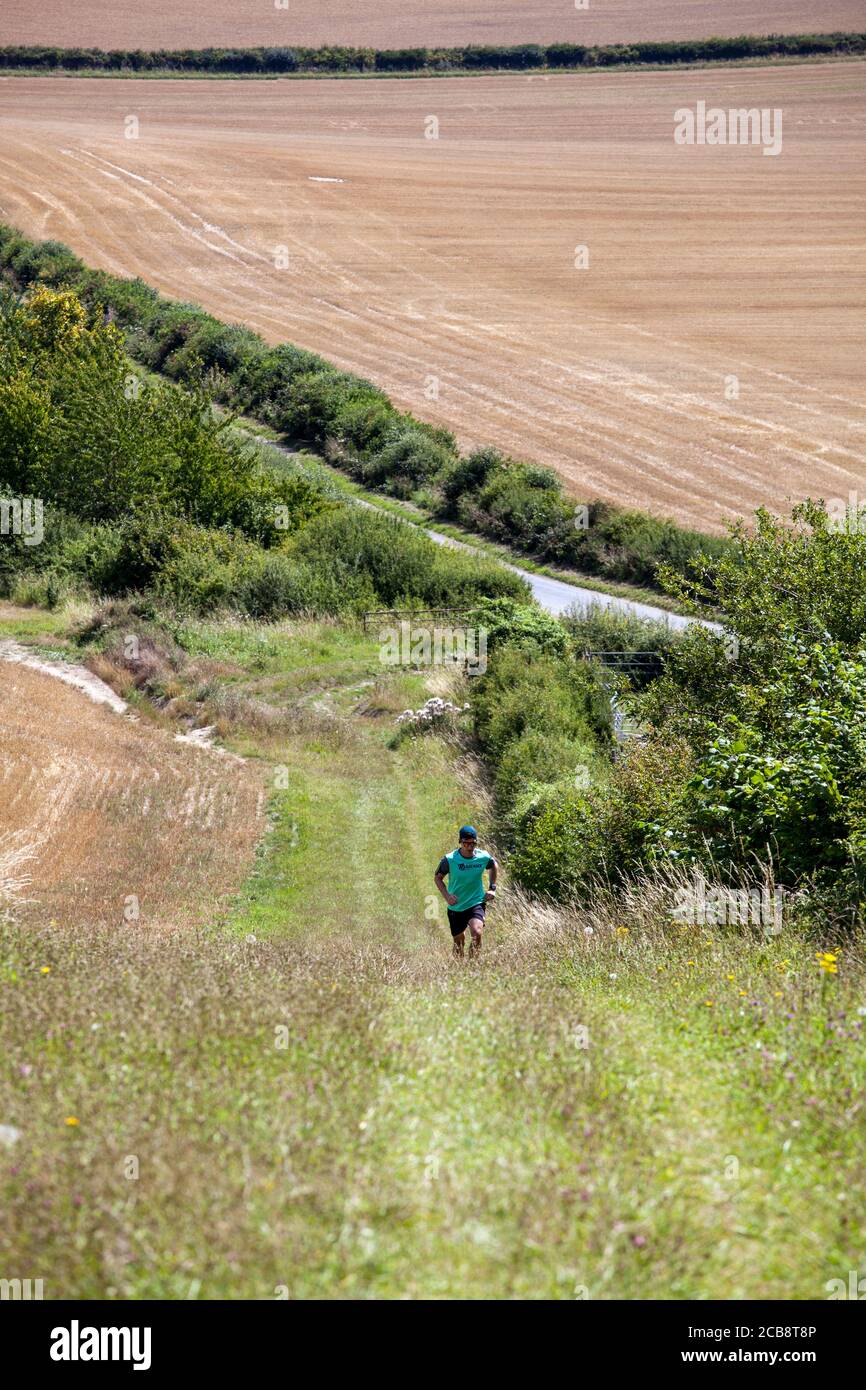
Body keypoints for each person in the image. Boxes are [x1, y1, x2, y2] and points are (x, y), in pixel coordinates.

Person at [434, 825, 498, 958]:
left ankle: (473, 967)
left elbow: (493, 865)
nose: (469, 846)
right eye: (465, 843)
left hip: (476, 902)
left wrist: (492, 888)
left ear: (476, 842)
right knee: (459, 943)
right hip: (456, 906)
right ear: (460, 842)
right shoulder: (450, 859)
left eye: (472, 843)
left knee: (477, 933)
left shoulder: (483, 856)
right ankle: (459, 969)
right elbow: (438, 878)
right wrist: (447, 896)